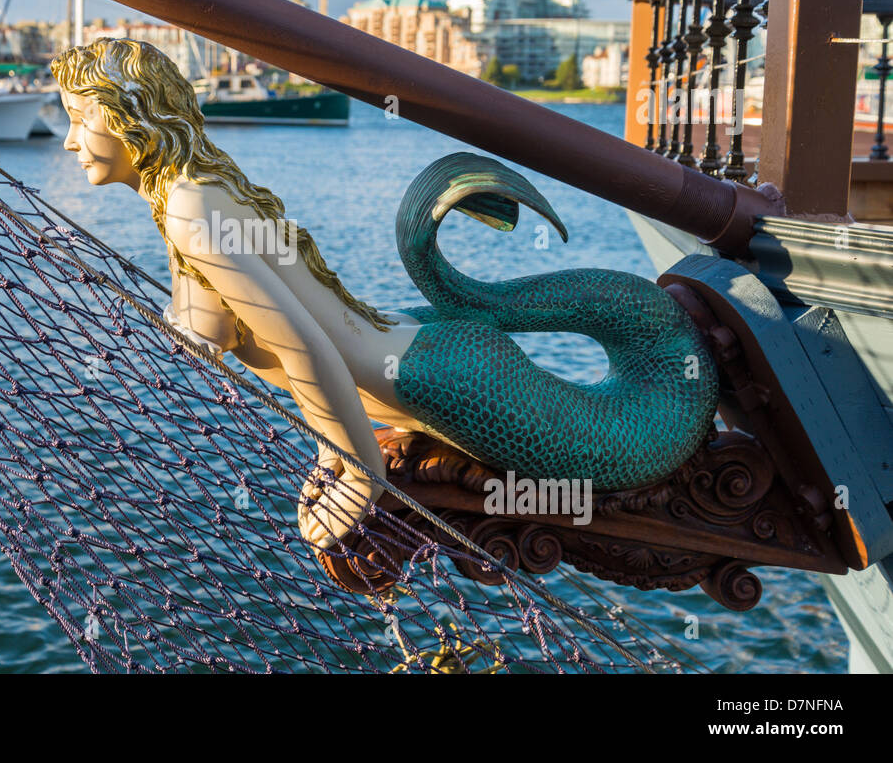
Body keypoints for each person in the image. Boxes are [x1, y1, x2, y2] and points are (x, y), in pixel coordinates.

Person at [51, 38, 719, 550]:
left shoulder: (195, 211)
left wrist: (359, 469)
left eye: (82, 118)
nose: (70, 139)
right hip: (429, 354)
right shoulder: (192, 194)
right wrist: (325, 443)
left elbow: (306, 346)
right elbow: (267, 331)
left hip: (453, 383)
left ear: (131, 118)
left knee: (632, 448)